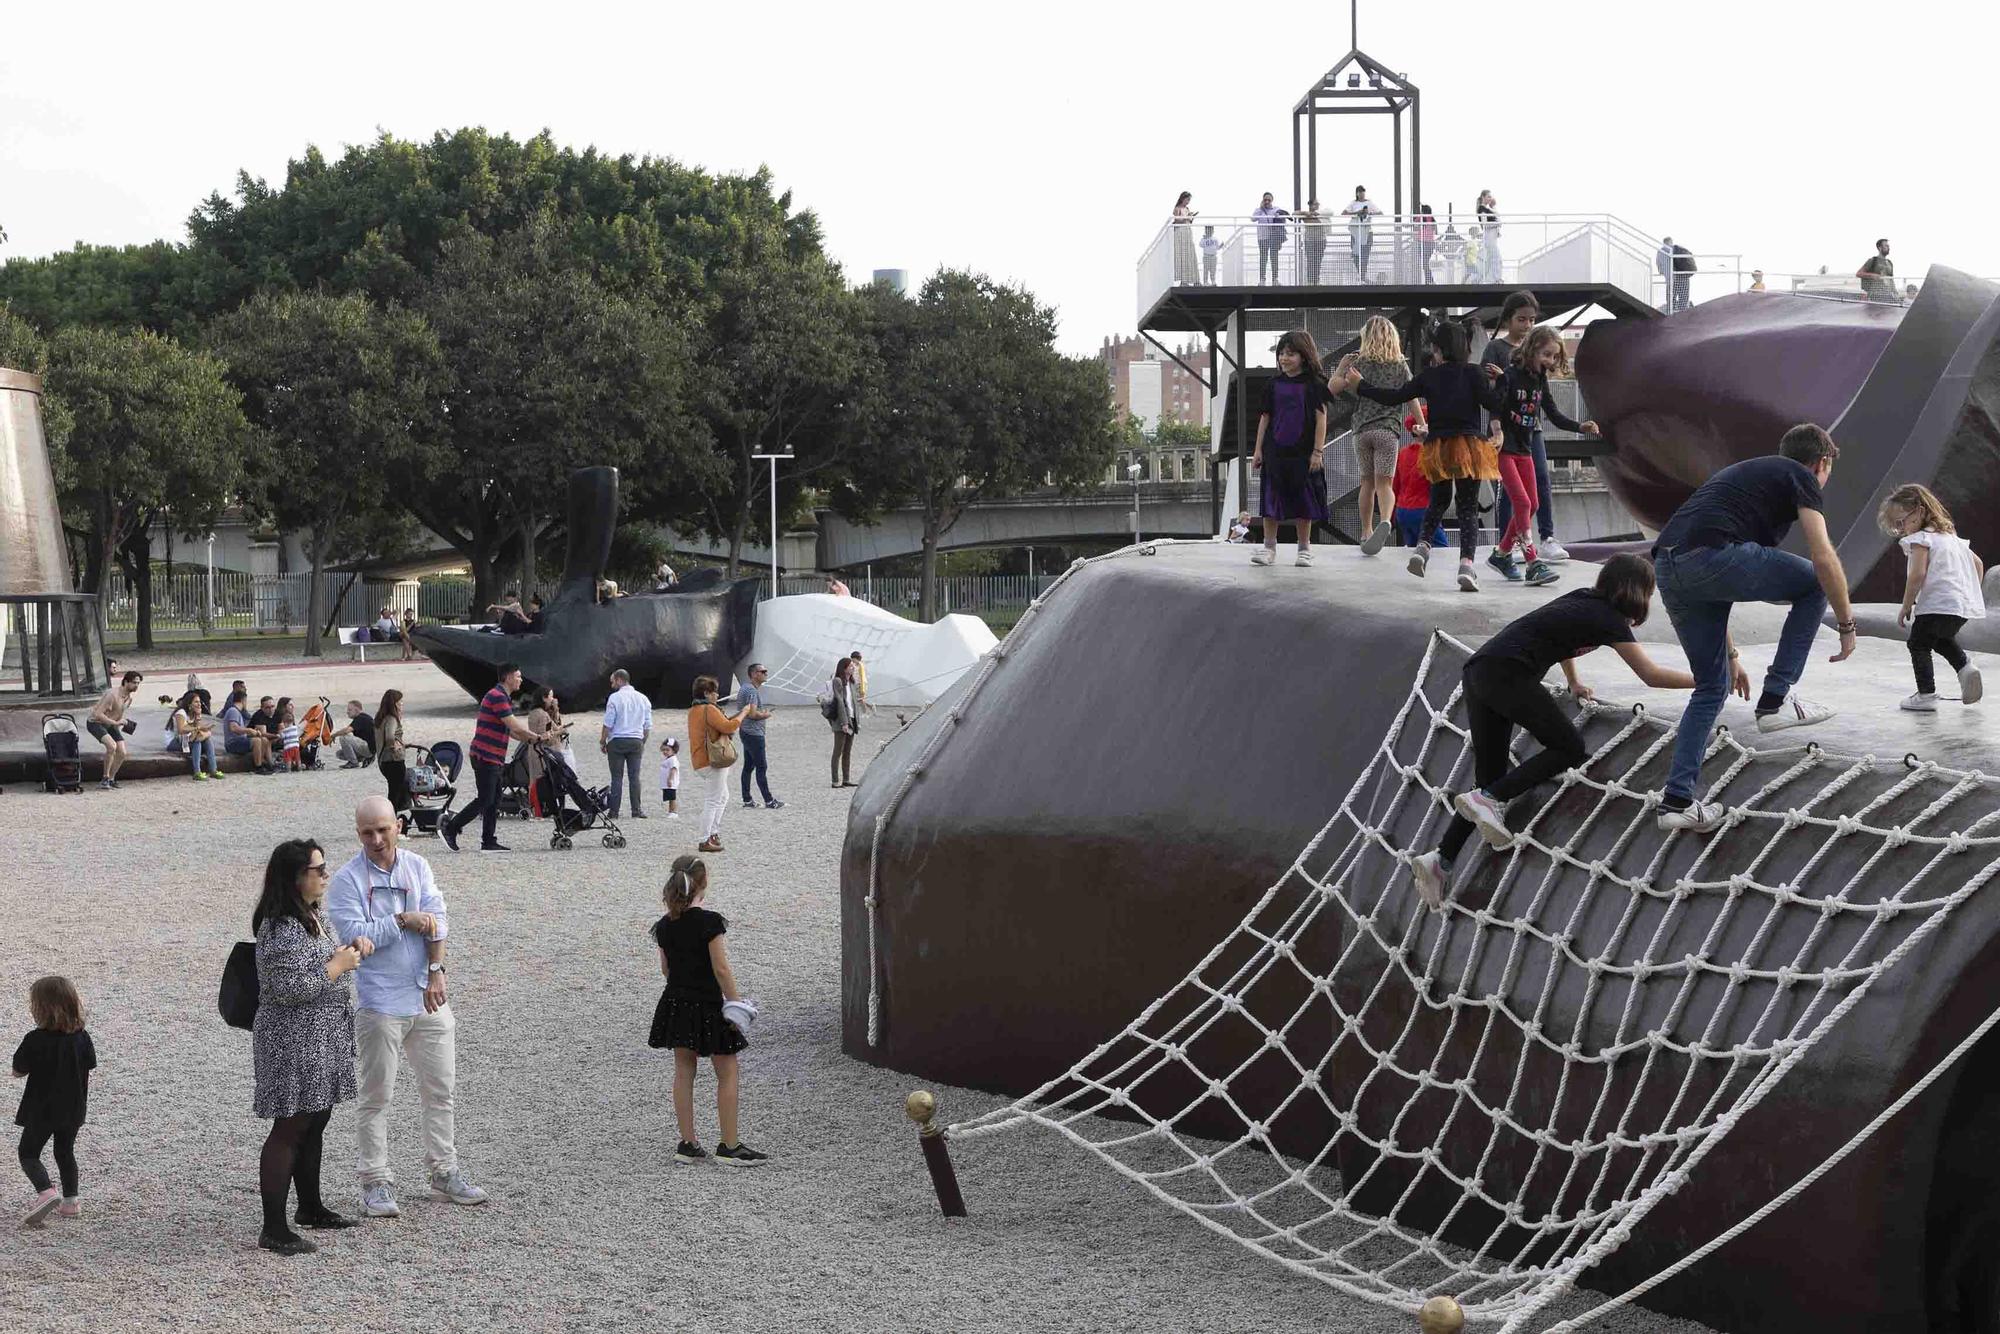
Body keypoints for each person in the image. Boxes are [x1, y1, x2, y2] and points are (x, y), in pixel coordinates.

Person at [1408, 557, 1698, 908]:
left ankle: (1442, 859)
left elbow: (1556, 636)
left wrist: (1574, 681)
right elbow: (1650, 675)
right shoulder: (1607, 618)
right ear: (1638, 592)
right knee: (1569, 747)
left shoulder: (1584, 601)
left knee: (1491, 778)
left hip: (1481, 672)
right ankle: (1488, 801)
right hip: (1506, 673)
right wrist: (1706, 681)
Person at [1653, 424, 1858, 833]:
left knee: (1710, 688)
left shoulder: (1746, 481)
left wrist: (1730, 655)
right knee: (1815, 583)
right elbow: (1823, 556)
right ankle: (1777, 698)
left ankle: (1676, 801)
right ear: (1822, 462)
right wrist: (1847, 624)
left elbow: (1709, 588)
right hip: (1711, 557)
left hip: (1669, 567)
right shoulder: (1799, 474)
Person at [329, 797, 487, 1217]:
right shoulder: (346, 881)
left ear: (399, 825)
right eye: (367, 832)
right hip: (380, 1001)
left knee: (441, 1090)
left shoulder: (417, 866)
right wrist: (402, 920)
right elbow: (352, 936)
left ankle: (444, 1171)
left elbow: (438, 919)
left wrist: (437, 969)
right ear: (358, 834)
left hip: (426, 995)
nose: (377, 839)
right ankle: (375, 1180)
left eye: (383, 829)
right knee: (376, 1095)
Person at [251, 839, 362, 1255]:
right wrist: (337, 965)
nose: (325, 875)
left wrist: (348, 954)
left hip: (322, 1035)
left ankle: (310, 1207)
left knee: (316, 1121)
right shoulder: (280, 927)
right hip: (293, 1041)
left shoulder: (311, 914)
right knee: (289, 1128)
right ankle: (274, 1228)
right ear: (295, 878)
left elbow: (321, 963)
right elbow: (289, 988)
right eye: (318, 870)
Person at [1337, 321, 1503, 590]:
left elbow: (1394, 397)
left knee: (1437, 502)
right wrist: (1502, 381)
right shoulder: (1474, 373)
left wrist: (1362, 386)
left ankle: (1422, 549)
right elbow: (1494, 404)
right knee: (1467, 508)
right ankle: (1467, 566)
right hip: (1468, 446)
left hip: (1438, 447)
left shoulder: (1430, 376)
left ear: (1437, 350)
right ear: (1466, 347)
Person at [647, 855, 767, 1166]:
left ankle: (688, 1142)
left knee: (684, 1071)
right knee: (726, 1072)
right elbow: (721, 969)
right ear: (703, 884)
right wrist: (736, 1003)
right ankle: (729, 1145)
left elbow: (666, 969)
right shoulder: (710, 922)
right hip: (709, 1004)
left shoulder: (663, 925)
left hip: (676, 1002)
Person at [1484, 328, 1601, 587]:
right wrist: (1497, 432)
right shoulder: (1510, 376)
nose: (1550, 360)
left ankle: (1501, 554)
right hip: (1505, 450)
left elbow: (1553, 413)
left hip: (1524, 450)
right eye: (1546, 354)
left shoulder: (1540, 380)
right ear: (1533, 349)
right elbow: (1495, 407)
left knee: (1533, 504)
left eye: (1553, 356)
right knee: (1523, 503)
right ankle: (1532, 562)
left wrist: (1579, 427)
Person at [1880, 483, 1986, 711]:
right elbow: (1977, 563)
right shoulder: (1952, 538)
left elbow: (1917, 574)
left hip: (1936, 604)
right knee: (1940, 639)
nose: (1902, 530)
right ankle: (1966, 668)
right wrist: (1968, 593)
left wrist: (1906, 605)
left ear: (1919, 511)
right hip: (1959, 606)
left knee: (1918, 644)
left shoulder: (1921, 539)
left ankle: (1926, 694)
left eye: (1901, 523)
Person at [1482, 292, 1566, 563]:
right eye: (1521, 319)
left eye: (1532, 320)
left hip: (1532, 428)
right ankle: (1511, 544)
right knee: (1511, 491)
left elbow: (1547, 398)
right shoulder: (1497, 348)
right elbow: (1489, 392)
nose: (1527, 324)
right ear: (1509, 319)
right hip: (1507, 430)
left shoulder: (1540, 351)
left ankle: (1547, 536)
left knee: (1540, 481)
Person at [12, 975, 95, 1229]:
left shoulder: (35, 1039)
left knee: (28, 1152)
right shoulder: (82, 1037)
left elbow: (18, 1070)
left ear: (40, 1008)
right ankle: (71, 1202)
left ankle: (46, 1192)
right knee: (64, 1151)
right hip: (73, 1108)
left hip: (42, 1109)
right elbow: (90, 1064)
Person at [443, 664, 550, 852]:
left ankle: (488, 841)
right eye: (518, 676)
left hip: (494, 756)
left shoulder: (503, 697)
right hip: (485, 755)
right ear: (508, 678)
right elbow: (515, 727)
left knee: (494, 799)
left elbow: (511, 732)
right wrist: (537, 737)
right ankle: (451, 828)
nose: (521, 679)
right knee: (485, 799)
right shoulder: (497, 696)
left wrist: (531, 740)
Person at [1248, 329, 1330, 568]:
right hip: (1275, 450)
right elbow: (1265, 417)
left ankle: (1304, 549)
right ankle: (1269, 547)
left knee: (1303, 500)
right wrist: (1258, 450)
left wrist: (1317, 451)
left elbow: (1321, 418)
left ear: (1303, 356)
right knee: (1270, 499)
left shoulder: (1314, 384)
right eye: (1282, 353)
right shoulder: (1273, 385)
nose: (1284, 358)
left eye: (1290, 354)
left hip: (1303, 452)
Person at [1342, 315, 1413, 555]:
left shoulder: (1358, 364)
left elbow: (1347, 389)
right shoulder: (1399, 365)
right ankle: (1385, 519)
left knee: (1366, 483)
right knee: (1385, 483)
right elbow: (1411, 396)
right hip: (1387, 430)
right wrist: (1422, 423)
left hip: (1362, 430)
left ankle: (1365, 531)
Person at [687, 676, 747, 854]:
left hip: (700, 759)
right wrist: (744, 712)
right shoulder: (709, 709)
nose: (717, 695)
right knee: (713, 800)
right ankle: (705, 838)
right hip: (713, 760)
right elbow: (729, 727)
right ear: (706, 693)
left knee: (723, 796)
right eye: (714, 692)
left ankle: (713, 832)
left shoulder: (693, 710)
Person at [600, 668, 654, 820]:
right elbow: (647, 726)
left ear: (618, 680)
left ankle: (614, 811)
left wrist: (602, 741)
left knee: (617, 777)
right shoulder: (643, 698)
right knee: (634, 777)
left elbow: (608, 723)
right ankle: (636, 810)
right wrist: (642, 742)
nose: (611, 685)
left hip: (617, 740)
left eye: (612, 682)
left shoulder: (614, 698)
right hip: (636, 740)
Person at [1391, 422, 1448, 550]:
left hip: (1402, 511)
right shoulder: (1431, 453)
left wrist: (1392, 515)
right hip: (1423, 510)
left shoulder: (1402, 453)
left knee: (1413, 550)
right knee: (1442, 550)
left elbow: (1395, 486)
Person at [87, 669, 142, 790]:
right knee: (112, 746)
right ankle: (105, 778)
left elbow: (118, 713)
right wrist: (115, 722)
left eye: (138, 683)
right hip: (95, 723)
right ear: (126, 682)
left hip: (111, 723)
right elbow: (97, 714)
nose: (136, 685)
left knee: (122, 752)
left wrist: (123, 723)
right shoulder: (112, 695)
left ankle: (111, 779)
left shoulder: (128, 698)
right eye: (134, 682)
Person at [737, 663, 781, 811]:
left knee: (748, 766)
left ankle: (747, 799)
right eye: (763, 671)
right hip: (754, 734)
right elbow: (753, 714)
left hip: (745, 731)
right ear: (754, 674)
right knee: (761, 766)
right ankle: (769, 801)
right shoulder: (752, 692)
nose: (765, 673)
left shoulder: (744, 687)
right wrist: (766, 715)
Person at [222, 687, 276, 775]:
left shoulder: (238, 712)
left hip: (240, 740)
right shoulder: (233, 711)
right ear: (243, 700)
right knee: (256, 741)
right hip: (232, 743)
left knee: (264, 740)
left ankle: (263, 763)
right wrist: (249, 730)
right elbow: (233, 728)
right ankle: (257, 767)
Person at [376, 690, 411, 815]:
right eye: (400, 701)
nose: (402, 704)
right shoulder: (391, 718)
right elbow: (390, 736)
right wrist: (394, 746)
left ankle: (392, 818)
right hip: (394, 760)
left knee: (394, 791)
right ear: (395, 703)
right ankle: (391, 820)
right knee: (395, 793)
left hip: (383, 760)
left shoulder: (380, 718)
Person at [829, 657, 861, 789]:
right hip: (841, 721)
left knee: (847, 751)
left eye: (853, 666)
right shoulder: (838, 681)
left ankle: (846, 779)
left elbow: (853, 703)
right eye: (851, 666)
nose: (853, 667)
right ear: (844, 668)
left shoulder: (852, 683)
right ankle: (835, 780)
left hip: (852, 720)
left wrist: (856, 721)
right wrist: (844, 722)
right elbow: (840, 702)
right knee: (838, 751)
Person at [176, 694, 222, 782]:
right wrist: (197, 729)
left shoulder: (195, 713)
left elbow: (199, 730)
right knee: (197, 743)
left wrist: (198, 717)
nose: (199, 704)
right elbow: (181, 730)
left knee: (207, 741)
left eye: (199, 702)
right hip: (179, 741)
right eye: (196, 702)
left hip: (191, 738)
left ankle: (213, 770)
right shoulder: (181, 713)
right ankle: (197, 772)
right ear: (189, 704)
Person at [1341, 185, 1378, 278]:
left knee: (1365, 255)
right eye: (1360, 192)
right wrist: (1357, 213)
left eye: (1363, 192)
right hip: (1356, 233)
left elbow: (1380, 212)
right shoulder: (1353, 203)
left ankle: (1363, 276)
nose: (1362, 194)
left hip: (1367, 232)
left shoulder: (1369, 203)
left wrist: (1369, 213)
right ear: (1357, 193)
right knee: (1355, 254)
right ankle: (1361, 276)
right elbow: (1344, 213)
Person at [1252, 192, 1288, 284]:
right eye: (1265, 200)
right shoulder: (1259, 210)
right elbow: (1253, 219)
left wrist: (1278, 216)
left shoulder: (1276, 209)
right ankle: (1262, 279)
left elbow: (1282, 218)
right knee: (1263, 258)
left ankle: (1275, 279)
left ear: (1272, 200)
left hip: (1273, 237)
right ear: (1262, 200)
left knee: (1274, 257)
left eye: (1269, 200)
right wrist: (1261, 208)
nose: (1267, 201)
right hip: (1262, 237)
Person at [330, 700, 375, 769]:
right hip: (369, 750)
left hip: (369, 748)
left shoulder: (361, 718)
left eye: (350, 710)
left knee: (344, 737)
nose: (347, 712)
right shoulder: (361, 718)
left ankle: (353, 763)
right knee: (339, 754)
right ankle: (365, 758)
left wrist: (333, 735)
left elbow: (346, 731)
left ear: (356, 710)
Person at [1171, 191, 1198, 286]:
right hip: (1180, 232)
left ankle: (1192, 279)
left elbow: (1189, 222)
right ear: (1183, 198)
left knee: (1189, 254)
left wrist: (1191, 217)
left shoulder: (1187, 208)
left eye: (1189, 200)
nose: (1188, 202)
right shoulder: (1177, 208)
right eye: (1187, 199)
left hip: (1187, 231)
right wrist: (1186, 217)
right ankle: (1183, 281)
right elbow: (1177, 220)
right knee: (1182, 255)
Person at [1299, 199, 1327, 285]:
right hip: (1309, 241)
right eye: (1315, 204)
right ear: (1311, 206)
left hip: (1321, 240)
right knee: (1310, 261)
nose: (1317, 205)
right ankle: (1310, 281)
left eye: (1318, 204)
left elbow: (1331, 212)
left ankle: (1316, 281)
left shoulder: (1321, 214)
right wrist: (1306, 213)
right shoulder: (1306, 215)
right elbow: (1294, 213)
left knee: (1318, 262)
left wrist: (1317, 214)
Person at [1476, 191, 1502, 282]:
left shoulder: (1487, 209)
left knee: (1493, 260)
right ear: (1483, 197)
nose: (1490, 199)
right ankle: (1496, 279)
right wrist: (1496, 224)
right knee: (1496, 258)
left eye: (1491, 197)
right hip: (1489, 238)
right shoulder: (1482, 209)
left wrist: (1493, 206)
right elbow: (1484, 224)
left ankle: (1487, 279)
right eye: (1488, 197)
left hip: (1492, 238)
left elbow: (1498, 217)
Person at [1414, 203, 1438, 284]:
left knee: (1424, 263)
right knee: (1425, 263)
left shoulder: (1420, 218)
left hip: (1422, 243)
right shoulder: (1432, 219)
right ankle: (1429, 280)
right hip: (1430, 244)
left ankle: (1429, 280)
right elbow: (1436, 231)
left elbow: (1415, 227)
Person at [660, 738, 682, 819]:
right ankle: (670, 811)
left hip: (671, 782)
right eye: (663, 750)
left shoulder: (673, 759)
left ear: (674, 750)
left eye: (667, 750)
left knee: (672, 798)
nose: (665, 752)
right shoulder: (668, 759)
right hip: (667, 783)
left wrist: (670, 779)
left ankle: (674, 811)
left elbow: (673, 769)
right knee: (669, 797)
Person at [278, 701, 303, 772]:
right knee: (298, 760)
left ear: (284, 723)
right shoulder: (295, 728)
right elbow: (298, 734)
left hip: (288, 748)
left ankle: (288, 770)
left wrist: (280, 731)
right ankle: (299, 769)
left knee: (288, 761)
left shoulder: (285, 730)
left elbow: (282, 737)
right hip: (296, 747)